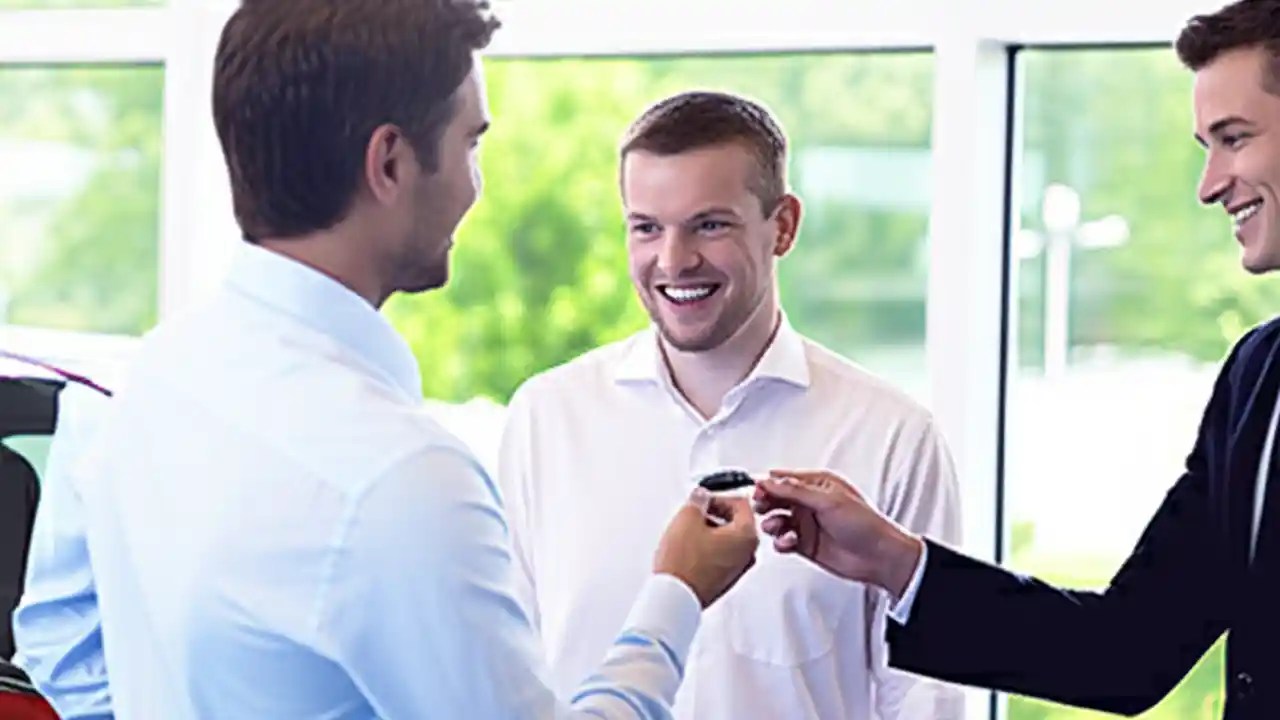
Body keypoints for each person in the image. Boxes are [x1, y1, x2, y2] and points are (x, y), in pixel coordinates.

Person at [11, 2, 760, 718]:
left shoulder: (126, 387)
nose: (475, 183)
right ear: (391, 162)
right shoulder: (402, 479)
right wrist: (677, 594)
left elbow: (60, 642)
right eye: (471, 143)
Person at [751, 7, 1280, 718]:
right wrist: (897, 562)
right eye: (1205, 147)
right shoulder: (1258, 375)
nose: (1209, 183)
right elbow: (1130, 648)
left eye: (1235, 139)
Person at [496, 90, 965, 720]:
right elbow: (506, 677)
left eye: (709, 224)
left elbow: (927, 702)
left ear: (784, 226)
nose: (673, 259)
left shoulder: (892, 436)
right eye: (646, 227)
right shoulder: (545, 419)